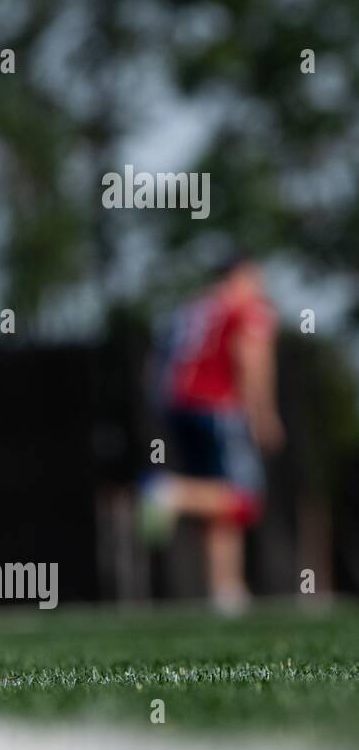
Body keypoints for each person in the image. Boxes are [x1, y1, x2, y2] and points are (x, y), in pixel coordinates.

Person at [141, 254, 284, 614]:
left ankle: (226, 590)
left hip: (178, 408)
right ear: (239, 277)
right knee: (244, 497)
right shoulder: (248, 310)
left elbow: (156, 363)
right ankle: (169, 492)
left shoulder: (191, 310)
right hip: (220, 407)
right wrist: (263, 415)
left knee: (219, 501)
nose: (260, 286)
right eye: (255, 278)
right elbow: (250, 360)